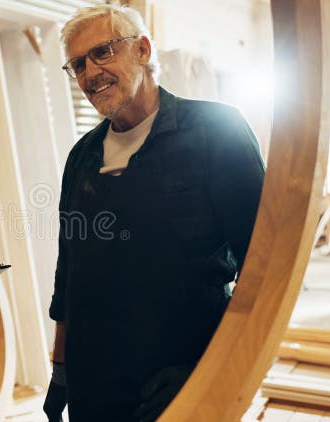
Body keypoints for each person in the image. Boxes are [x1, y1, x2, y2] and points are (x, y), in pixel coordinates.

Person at [43, 5, 265, 421]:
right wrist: (61, 366)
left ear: (143, 50)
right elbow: (68, 269)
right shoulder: (83, 156)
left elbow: (263, 271)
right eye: (77, 64)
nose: (90, 74)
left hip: (180, 379)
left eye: (103, 52)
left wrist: (209, 368)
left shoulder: (216, 131)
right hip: (96, 382)